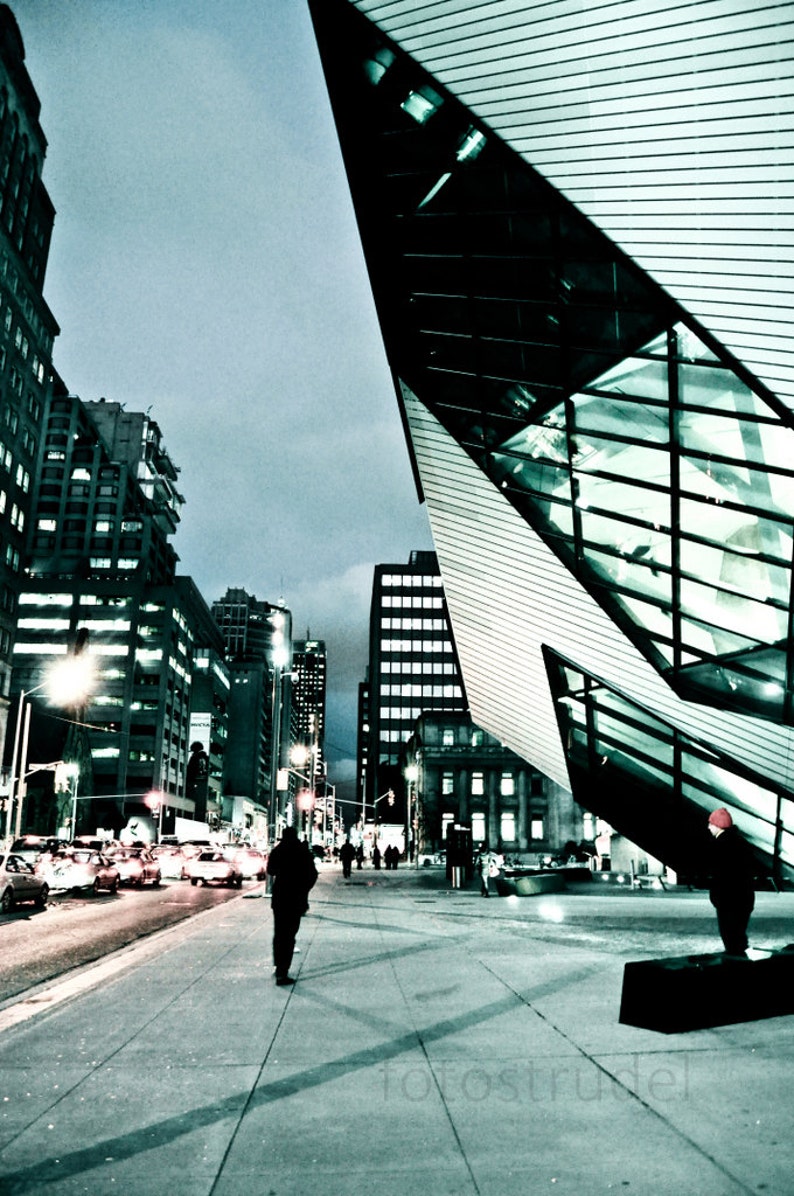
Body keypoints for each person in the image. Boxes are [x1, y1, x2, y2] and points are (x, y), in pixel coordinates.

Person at [266, 826, 317, 986]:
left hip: (280, 898)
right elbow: (312, 875)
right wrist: (304, 890)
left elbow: (270, 870)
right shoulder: (303, 852)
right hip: (296, 898)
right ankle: (283, 970)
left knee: (279, 933)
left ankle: (278, 967)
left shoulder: (278, 851)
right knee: (289, 935)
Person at [707, 807, 756, 956]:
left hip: (727, 899)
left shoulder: (718, 845)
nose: (708, 827)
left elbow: (719, 876)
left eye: (710, 823)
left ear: (718, 825)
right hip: (745, 898)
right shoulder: (743, 843)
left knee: (730, 938)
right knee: (738, 937)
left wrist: (715, 898)